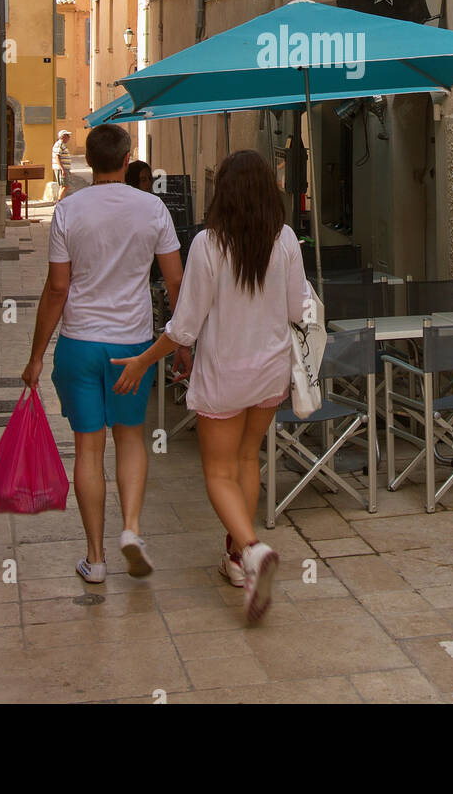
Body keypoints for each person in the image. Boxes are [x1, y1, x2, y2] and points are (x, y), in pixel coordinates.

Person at [110, 149, 309, 623]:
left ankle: (254, 550)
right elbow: (297, 310)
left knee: (218, 473)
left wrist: (142, 360)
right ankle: (238, 560)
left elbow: (185, 327)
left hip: (224, 374)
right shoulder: (285, 239)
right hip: (270, 373)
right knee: (246, 460)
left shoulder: (208, 244)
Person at [21, 123, 185, 584]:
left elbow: (57, 288)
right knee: (131, 437)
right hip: (132, 344)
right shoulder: (152, 208)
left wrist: (36, 356)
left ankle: (95, 559)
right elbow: (175, 281)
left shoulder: (68, 210)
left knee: (88, 449)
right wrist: (181, 342)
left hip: (79, 343)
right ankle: (131, 529)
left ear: (88, 161)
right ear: (127, 155)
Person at [51, 129, 73, 201]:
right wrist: (62, 169)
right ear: (63, 136)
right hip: (60, 169)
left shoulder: (62, 145)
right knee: (65, 186)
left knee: (63, 185)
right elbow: (57, 156)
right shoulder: (59, 144)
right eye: (67, 136)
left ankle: (60, 201)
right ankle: (59, 202)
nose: (69, 137)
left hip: (63, 168)